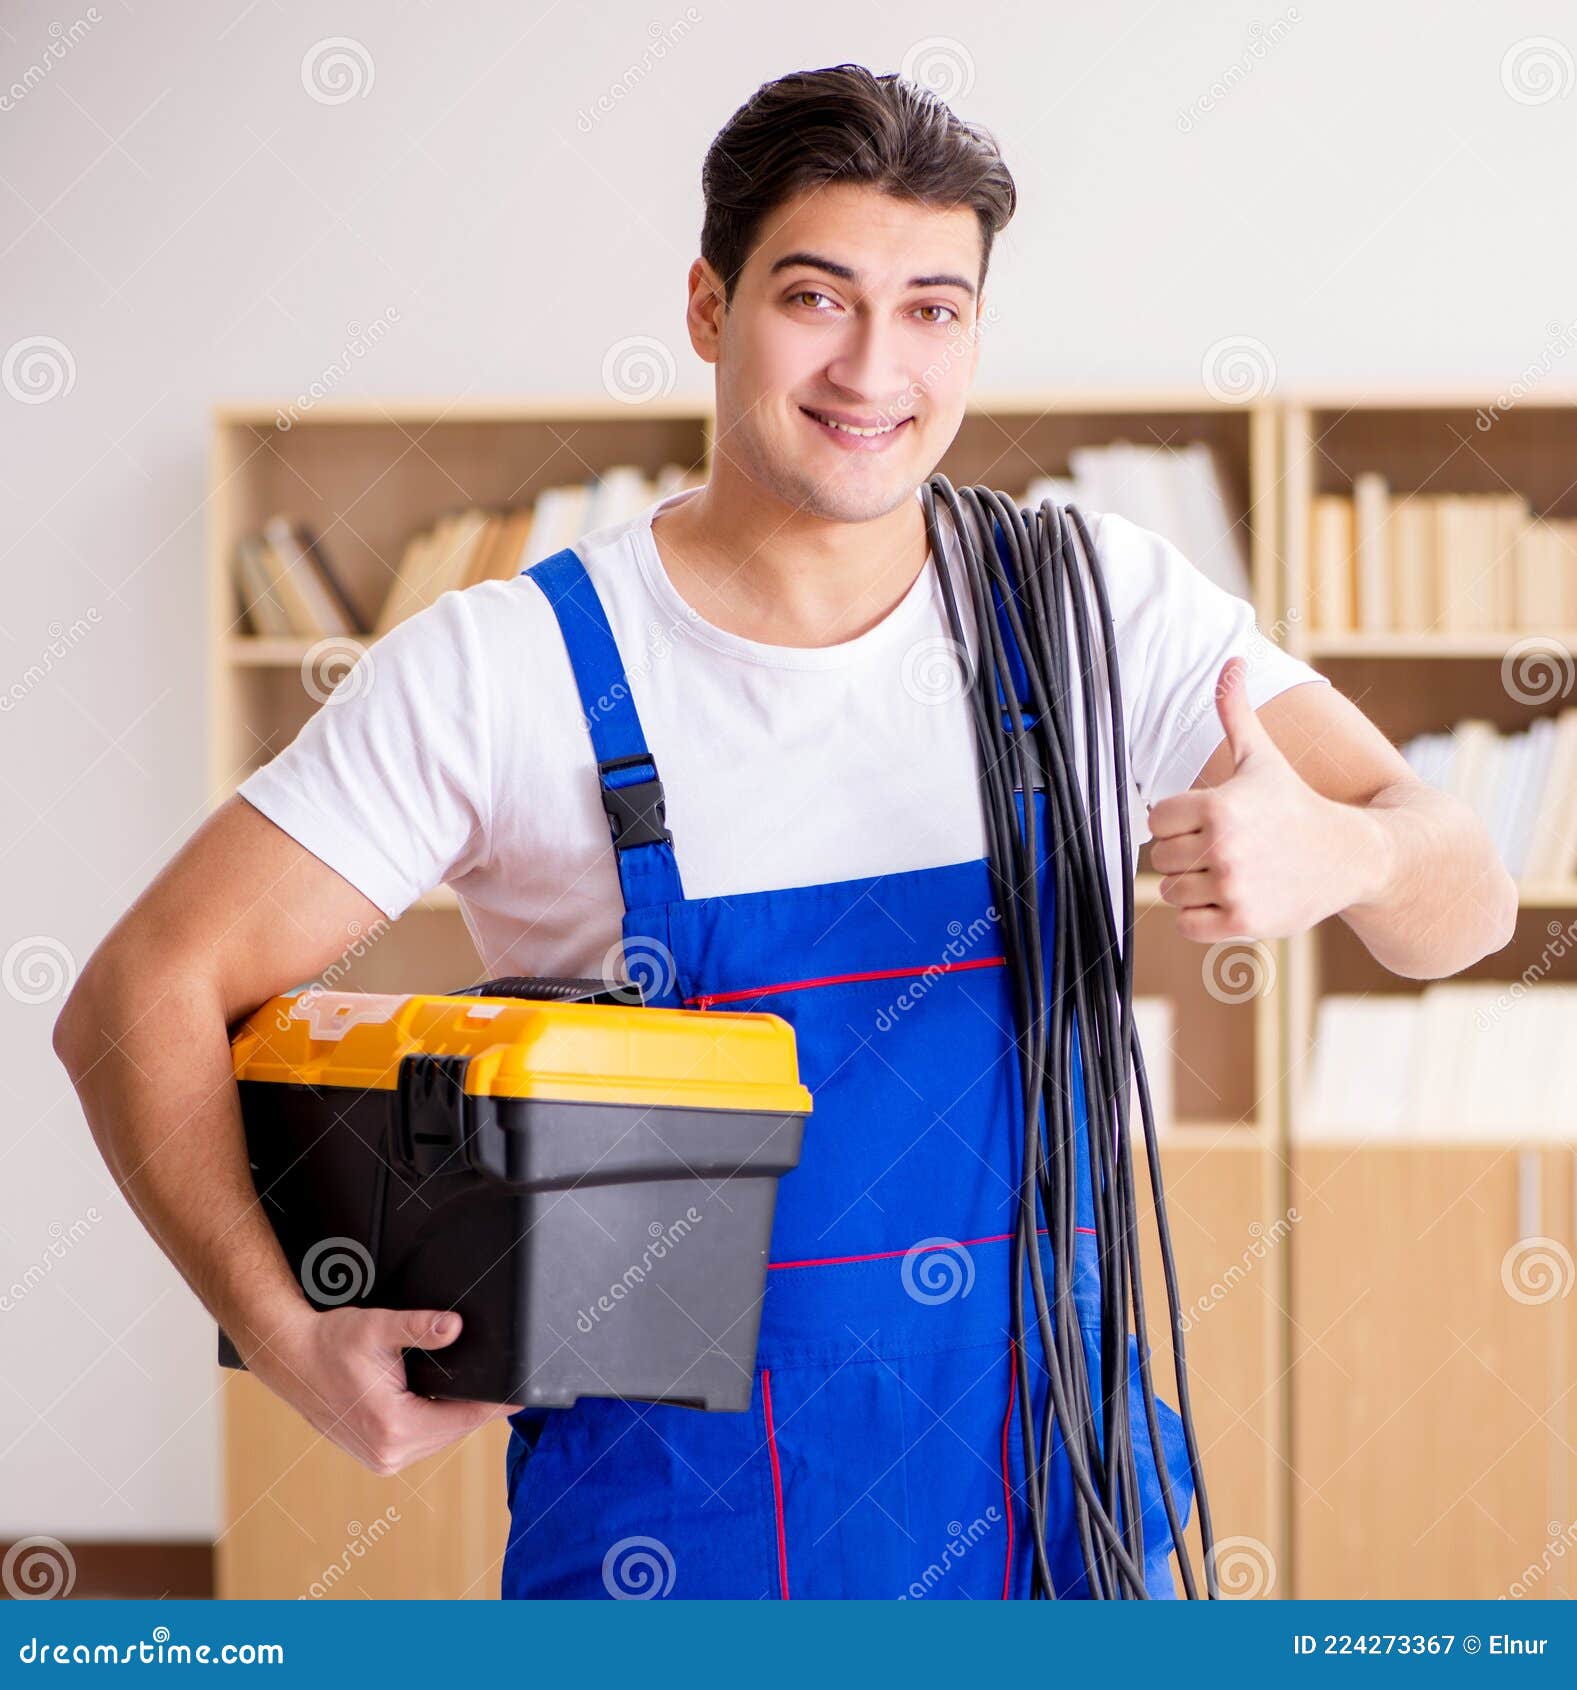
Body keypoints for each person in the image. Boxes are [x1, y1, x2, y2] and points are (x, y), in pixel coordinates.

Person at [53, 64, 1515, 1600]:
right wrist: (287, 1337)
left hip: (1065, 1523)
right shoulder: (508, 669)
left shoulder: (1092, 610)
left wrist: (1349, 856)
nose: (874, 366)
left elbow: (1462, 897)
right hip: (669, 1557)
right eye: (816, 296)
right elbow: (136, 995)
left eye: (933, 308)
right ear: (707, 306)